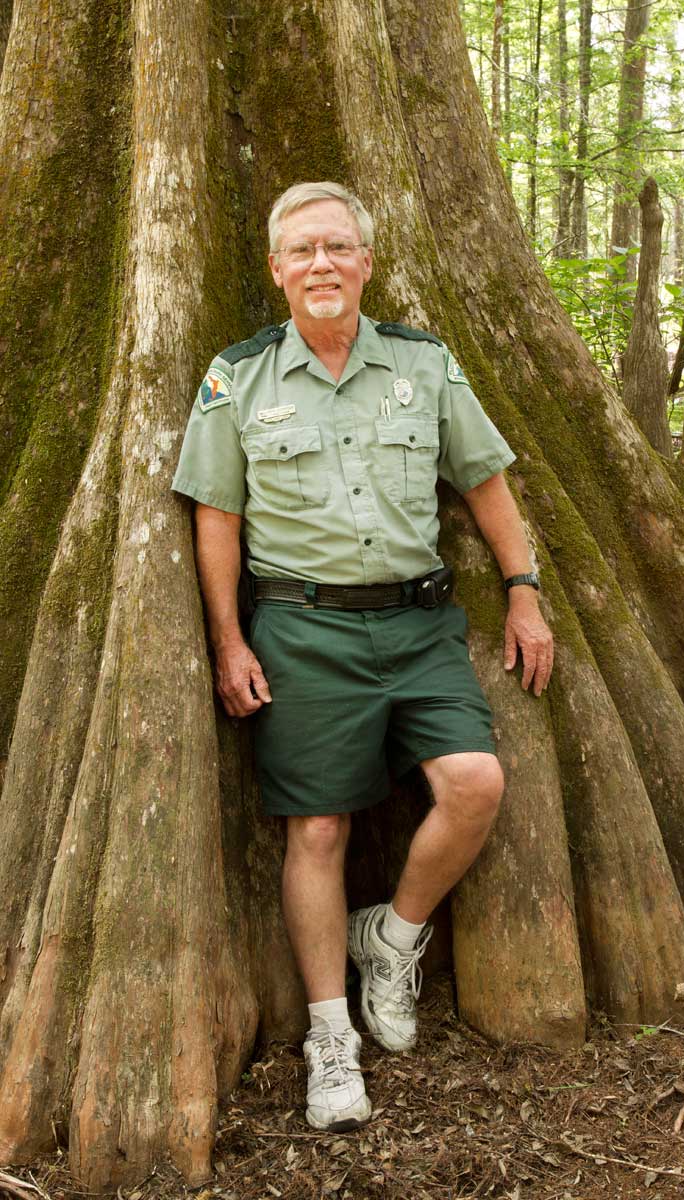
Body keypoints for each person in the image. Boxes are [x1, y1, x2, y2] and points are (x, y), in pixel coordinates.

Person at [172, 181, 553, 1133]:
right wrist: (229, 640)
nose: (321, 266)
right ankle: (330, 1036)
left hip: (420, 626)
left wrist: (524, 591)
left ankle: (392, 936)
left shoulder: (422, 365)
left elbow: (485, 483)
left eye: (338, 248)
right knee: (319, 830)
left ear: (366, 262)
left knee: (474, 783)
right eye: (301, 252)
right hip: (303, 631)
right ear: (276, 269)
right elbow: (215, 517)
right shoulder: (239, 376)